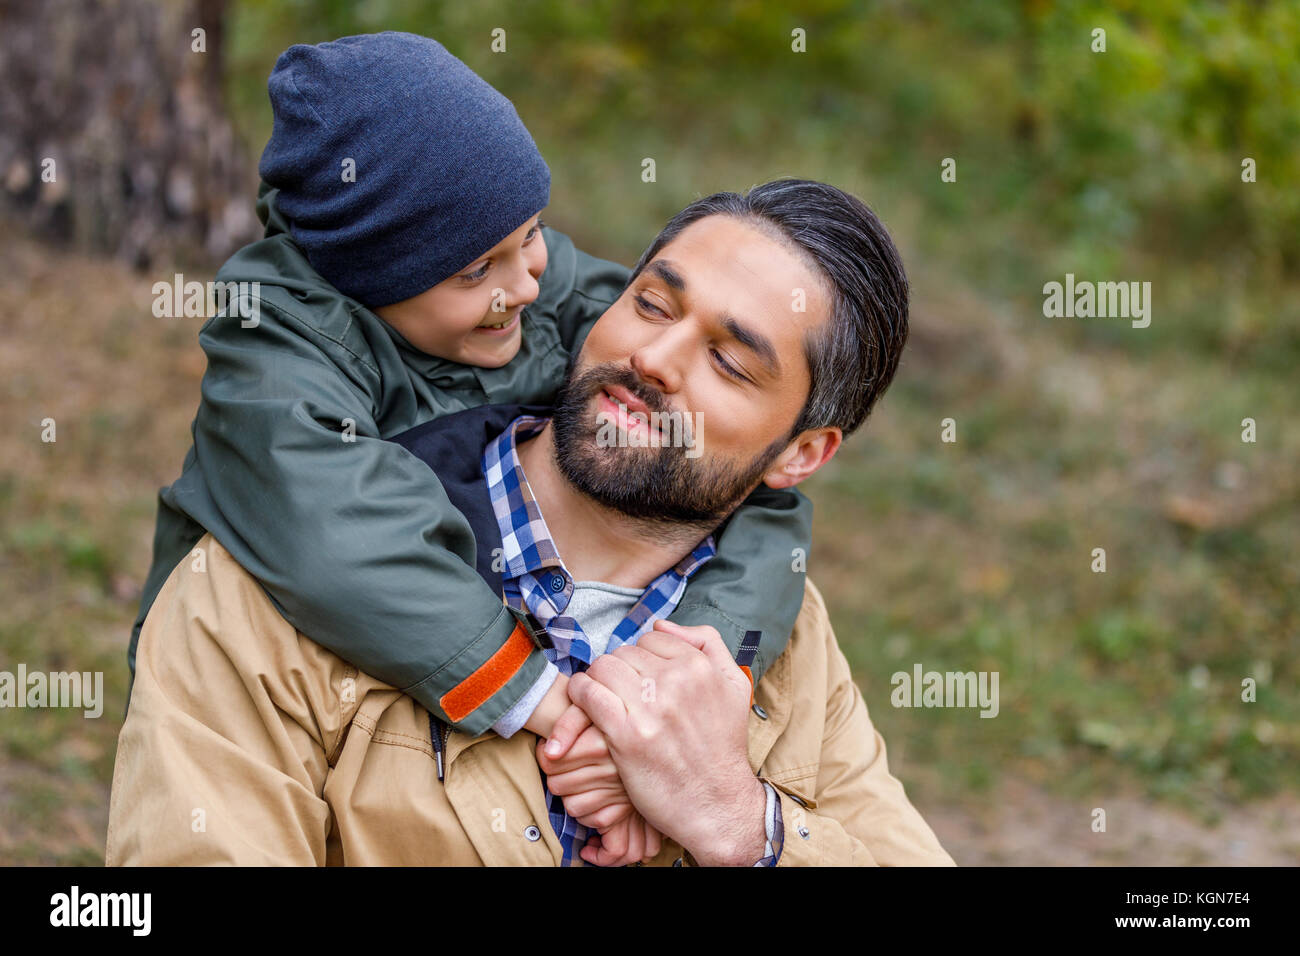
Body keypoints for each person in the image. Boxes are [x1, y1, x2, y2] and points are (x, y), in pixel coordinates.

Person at [107, 179, 953, 867]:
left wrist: (741, 821)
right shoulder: (264, 582)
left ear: (800, 455)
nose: (653, 360)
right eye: (652, 306)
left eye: (729, 362)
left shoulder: (789, 646)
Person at [127, 33, 812, 863]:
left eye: (532, 234)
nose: (523, 282)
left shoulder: (536, 286)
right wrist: (554, 708)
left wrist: (688, 687)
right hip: (282, 699)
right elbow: (327, 528)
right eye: (476, 270)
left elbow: (758, 503)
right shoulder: (275, 346)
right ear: (373, 279)